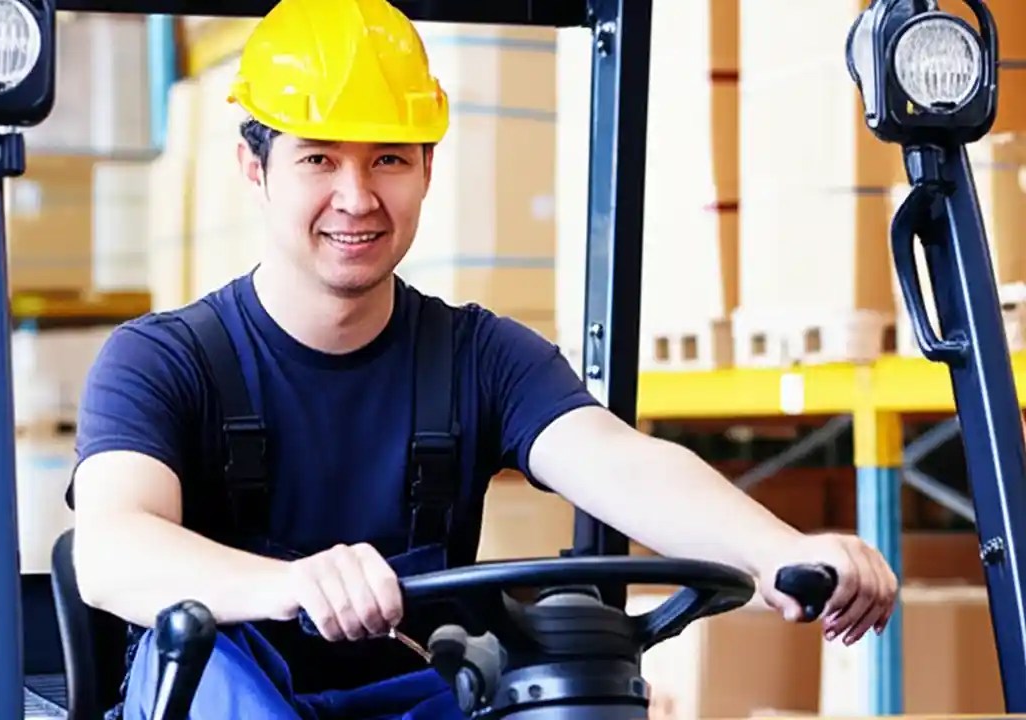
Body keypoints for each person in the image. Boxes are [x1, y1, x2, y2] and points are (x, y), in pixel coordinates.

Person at [68, 0, 899, 717]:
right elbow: (112, 548)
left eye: (388, 158)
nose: (357, 198)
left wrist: (777, 548)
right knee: (218, 669)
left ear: (428, 167)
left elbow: (620, 462)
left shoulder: (478, 356)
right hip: (218, 701)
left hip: (414, 699)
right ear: (256, 168)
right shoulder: (161, 360)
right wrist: (290, 586)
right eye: (319, 158)